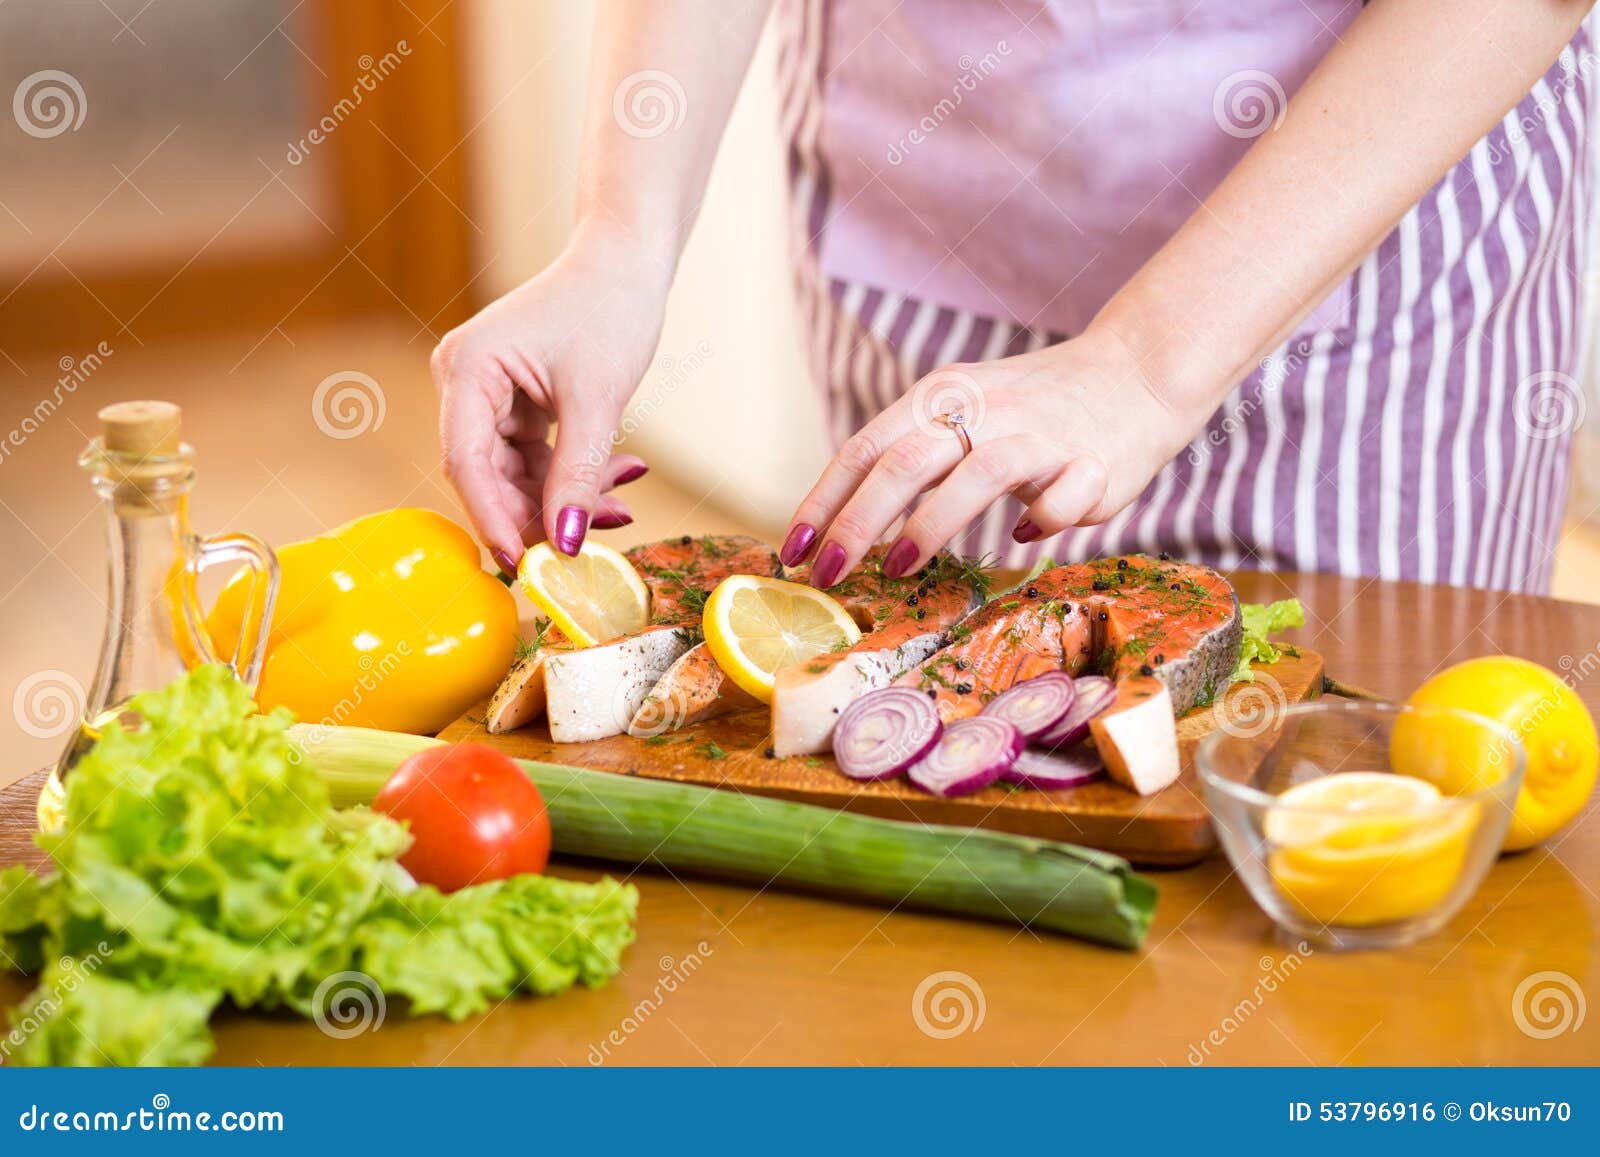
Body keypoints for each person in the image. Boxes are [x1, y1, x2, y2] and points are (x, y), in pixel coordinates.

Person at [433, 0, 1594, 595]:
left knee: (1326, 865)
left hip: (1360, 257)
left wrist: (1141, 368)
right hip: (933, 201)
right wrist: (619, 239)